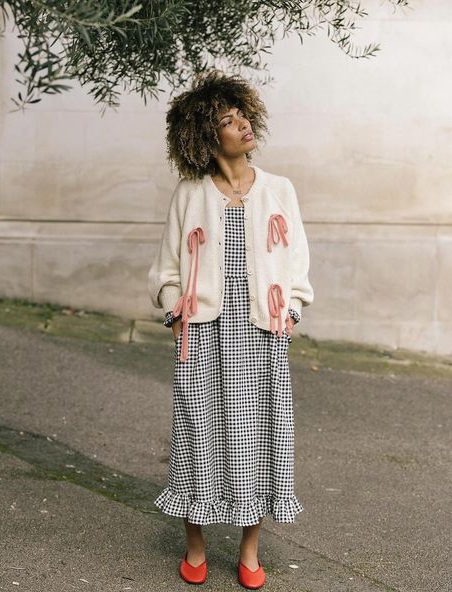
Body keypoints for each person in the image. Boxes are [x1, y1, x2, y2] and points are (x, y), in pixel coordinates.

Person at [147, 69, 314, 589]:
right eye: (228, 119)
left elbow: (298, 262)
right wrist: (175, 313)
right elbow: (167, 270)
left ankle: (249, 549)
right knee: (199, 435)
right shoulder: (190, 192)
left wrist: (293, 310)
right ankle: (195, 544)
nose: (242, 125)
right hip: (204, 334)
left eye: (244, 116)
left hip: (262, 330)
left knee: (261, 439)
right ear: (205, 134)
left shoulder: (279, 189)